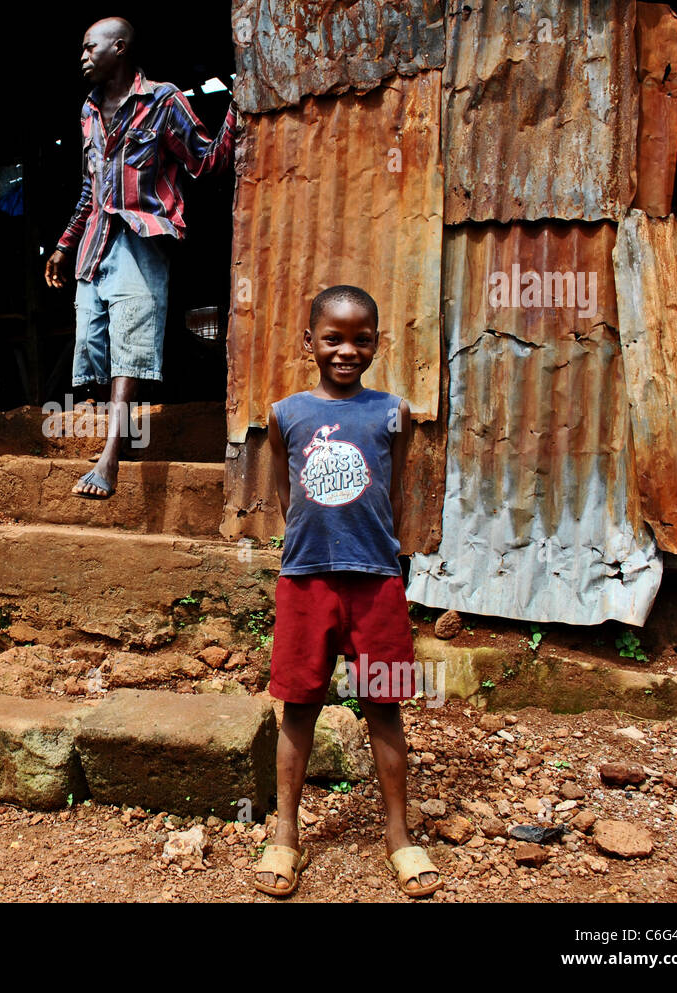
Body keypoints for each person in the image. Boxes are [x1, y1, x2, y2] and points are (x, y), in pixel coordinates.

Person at [253, 284, 443, 900]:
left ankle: (399, 835)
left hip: (377, 581)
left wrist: (385, 554)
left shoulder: (394, 412)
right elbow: (286, 491)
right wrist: (313, 542)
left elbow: (395, 491)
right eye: (332, 338)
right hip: (306, 580)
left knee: (383, 707)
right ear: (309, 342)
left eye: (361, 339)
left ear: (376, 344)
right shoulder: (285, 413)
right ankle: (285, 834)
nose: (346, 350)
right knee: (299, 706)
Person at [44, 16, 238, 499]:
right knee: (92, 343)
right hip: (96, 241)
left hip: (140, 235)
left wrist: (240, 106)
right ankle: (122, 431)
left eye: (91, 47)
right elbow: (91, 188)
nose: (83, 56)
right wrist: (66, 243)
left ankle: (109, 456)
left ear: (120, 48)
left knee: (132, 337)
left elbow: (206, 162)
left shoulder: (164, 101)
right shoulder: (88, 110)